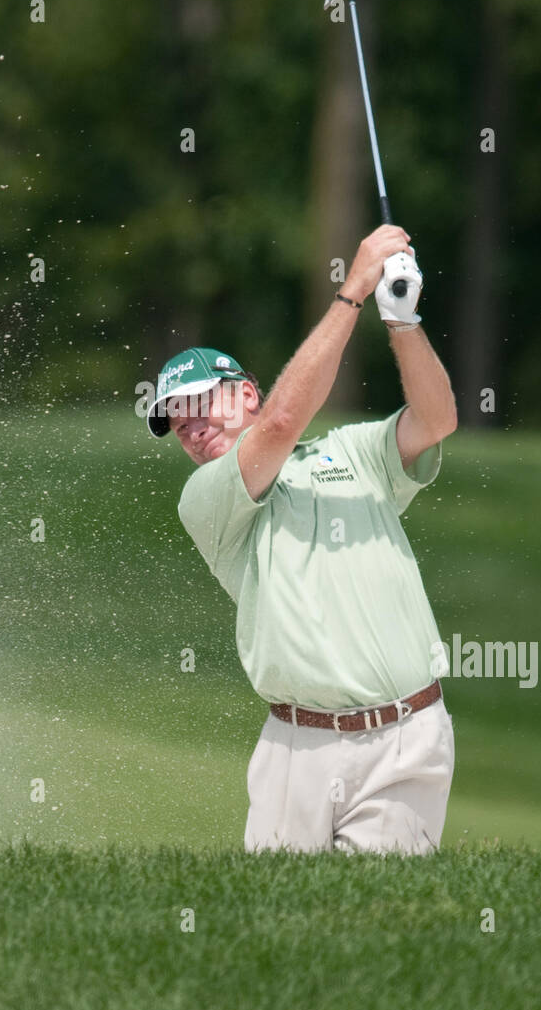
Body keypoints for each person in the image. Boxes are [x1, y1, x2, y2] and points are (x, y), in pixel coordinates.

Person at [145, 224, 457, 855]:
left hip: (406, 735)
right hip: (295, 751)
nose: (193, 427)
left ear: (247, 393)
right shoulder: (207, 499)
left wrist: (402, 323)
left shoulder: (353, 451)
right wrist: (354, 291)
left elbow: (437, 419)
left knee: (376, 925)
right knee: (277, 937)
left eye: (203, 404)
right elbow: (284, 421)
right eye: (179, 423)